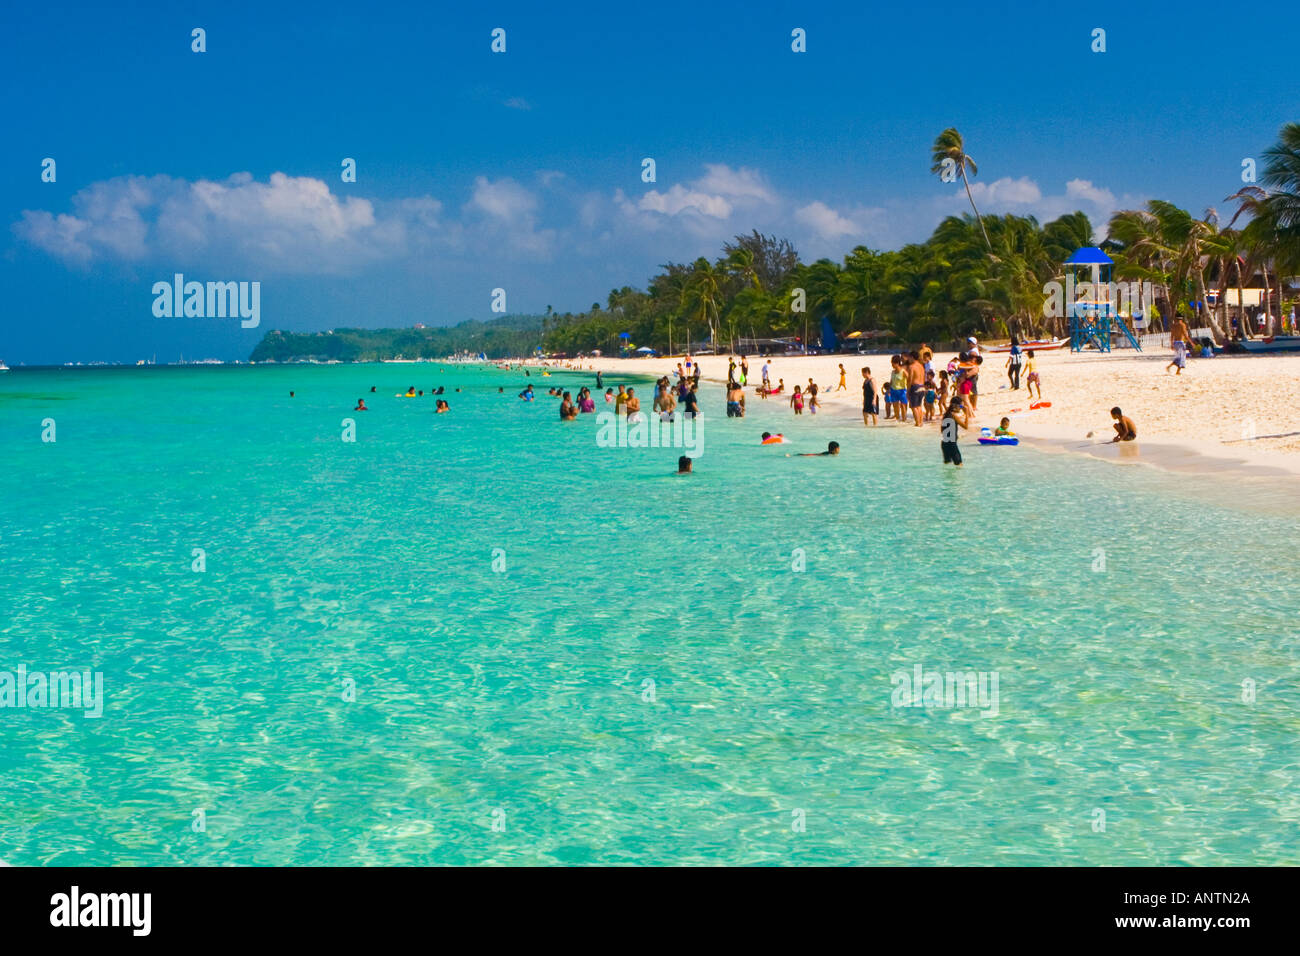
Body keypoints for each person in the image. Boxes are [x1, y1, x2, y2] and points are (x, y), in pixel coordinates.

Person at [940, 394, 970, 466]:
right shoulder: (954, 416)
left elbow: (942, 431)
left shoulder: (946, 415)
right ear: (955, 406)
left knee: (947, 467)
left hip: (944, 444)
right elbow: (966, 427)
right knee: (959, 466)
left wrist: (956, 435)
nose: (961, 408)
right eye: (961, 406)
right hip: (952, 445)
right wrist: (967, 414)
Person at [906, 352, 925, 427]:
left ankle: (917, 423)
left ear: (912, 357)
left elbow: (910, 379)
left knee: (914, 406)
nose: (908, 359)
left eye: (909, 357)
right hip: (922, 386)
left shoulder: (911, 367)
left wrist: (908, 390)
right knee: (919, 406)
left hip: (915, 386)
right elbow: (923, 377)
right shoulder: (921, 366)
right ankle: (921, 422)